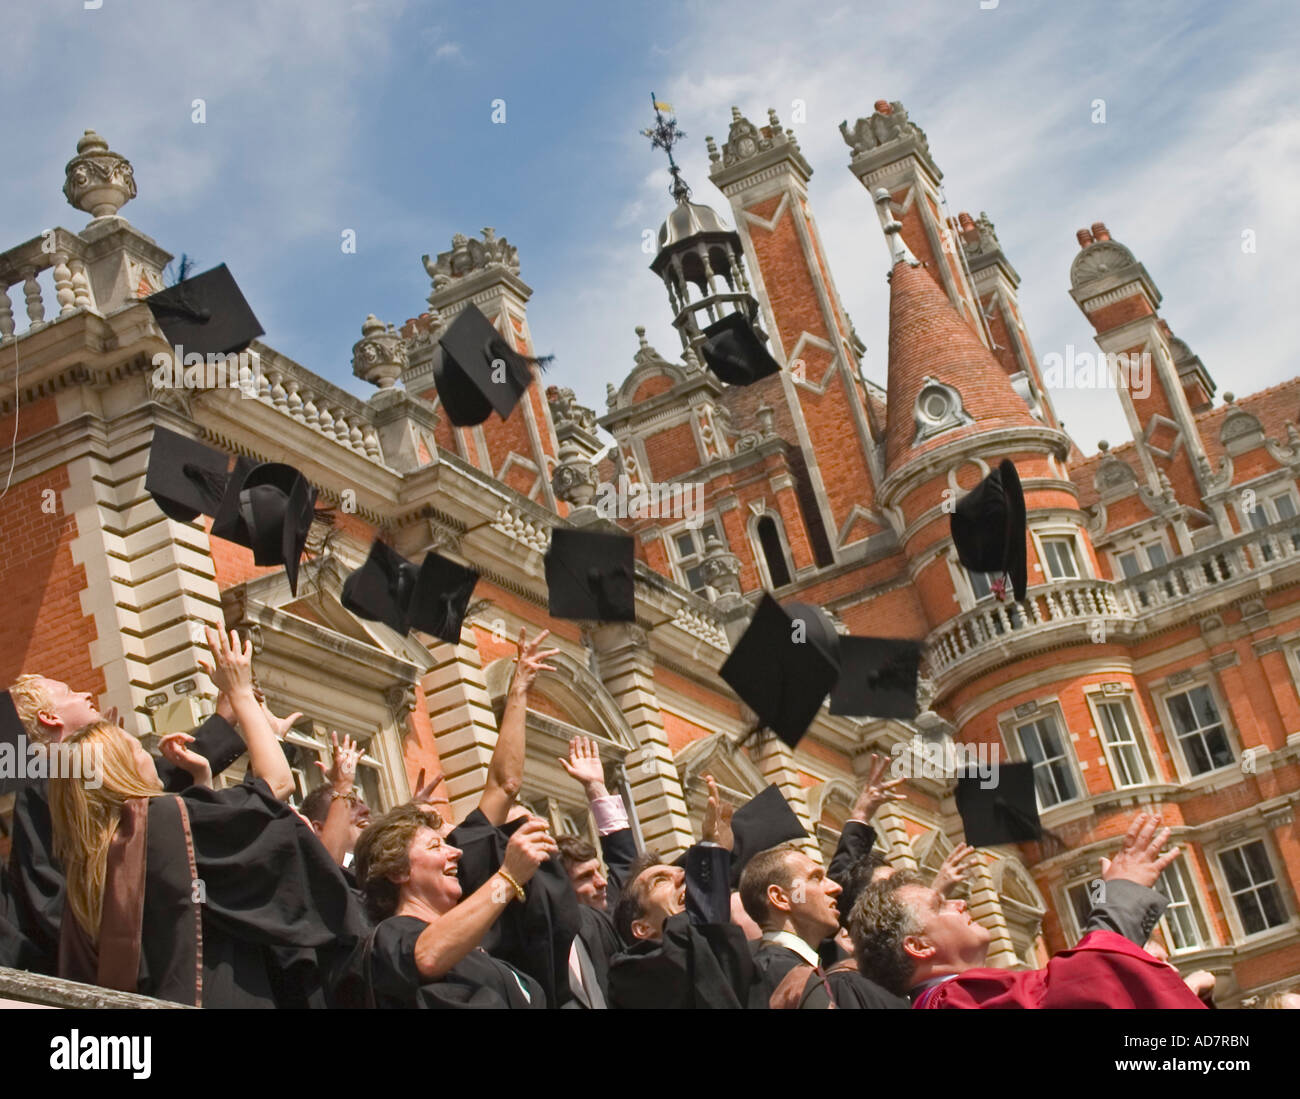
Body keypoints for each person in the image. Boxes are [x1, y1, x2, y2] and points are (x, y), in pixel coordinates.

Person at [45, 626, 365, 1007]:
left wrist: (202, 782)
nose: (151, 757)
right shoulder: (158, 818)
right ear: (122, 769)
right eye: (137, 749)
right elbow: (276, 785)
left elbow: (200, 885)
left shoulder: (90, 861)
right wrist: (242, 692)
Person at [5, 673, 249, 974]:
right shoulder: (50, 776)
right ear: (49, 717)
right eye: (69, 691)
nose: (85, 693)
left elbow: (154, 779)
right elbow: (50, 896)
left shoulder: (65, 772)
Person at [851, 813, 1207, 1009]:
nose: (960, 902)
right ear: (918, 945)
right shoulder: (953, 1002)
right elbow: (1075, 986)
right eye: (940, 905)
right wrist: (1122, 892)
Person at [353, 799, 557, 1008]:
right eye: (435, 846)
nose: (456, 852)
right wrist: (508, 878)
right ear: (398, 870)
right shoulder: (393, 935)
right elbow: (427, 956)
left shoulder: (477, 949)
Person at [608, 776, 762, 1009]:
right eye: (660, 881)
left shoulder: (757, 956)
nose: (683, 876)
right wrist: (712, 852)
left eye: (683, 872)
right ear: (642, 927)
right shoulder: (631, 974)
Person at [556, 734, 638, 1008]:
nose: (602, 882)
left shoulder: (611, 916)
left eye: (597, 871)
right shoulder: (544, 938)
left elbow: (625, 864)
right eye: (584, 877)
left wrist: (595, 787)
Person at [740, 842, 843, 1001]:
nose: (835, 887)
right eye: (816, 877)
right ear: (780, 898)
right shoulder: (782, 974)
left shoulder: (783, 969)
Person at [299, 732, 370, 871]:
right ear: (318, 828)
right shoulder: (304, 873)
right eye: (351, 805)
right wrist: (342, 785)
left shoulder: (386, 872)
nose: (366, 809)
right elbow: (328, 873)